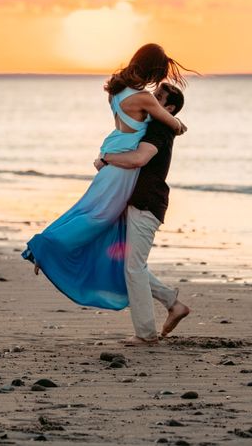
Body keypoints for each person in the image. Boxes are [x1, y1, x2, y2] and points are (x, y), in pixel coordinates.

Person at [22, 44, 191, 309]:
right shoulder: (145, 98)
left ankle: (46, 248)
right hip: (121, 169)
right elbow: (173, 124)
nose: (157, 83)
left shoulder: (117, 91)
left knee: (89, 212)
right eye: (158, 75)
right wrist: (179, 124)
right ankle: (45, 249)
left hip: (113, 159)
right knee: (96, 217)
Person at [95, 82, 191, 346]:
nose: (150, 97)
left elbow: (139, 159)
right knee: (130, 265)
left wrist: (107, 159)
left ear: (168, 108)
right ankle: (174, 304)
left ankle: (146, 334)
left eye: (158, 97)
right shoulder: (152, 124)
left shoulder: (160, 128)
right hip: (136, 203)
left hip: (147, 204)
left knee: (133, 267)